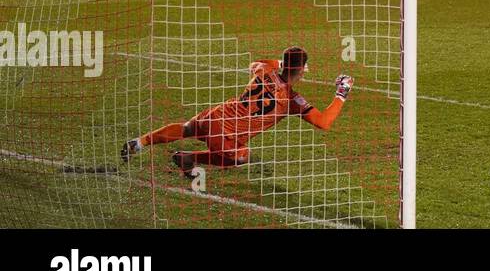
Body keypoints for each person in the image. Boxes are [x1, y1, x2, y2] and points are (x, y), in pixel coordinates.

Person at [121, 47, 352, 178]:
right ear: (301, 70)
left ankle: (140, 142)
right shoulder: (292, 100)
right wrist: (341, 93)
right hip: (226, 135)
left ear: (283, 64)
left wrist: (279, 63)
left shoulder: (265, 71)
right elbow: (324, 122)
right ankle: (189, 157)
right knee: (242, 157)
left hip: (217, 114)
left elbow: (257, 61)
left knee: (186, 128)